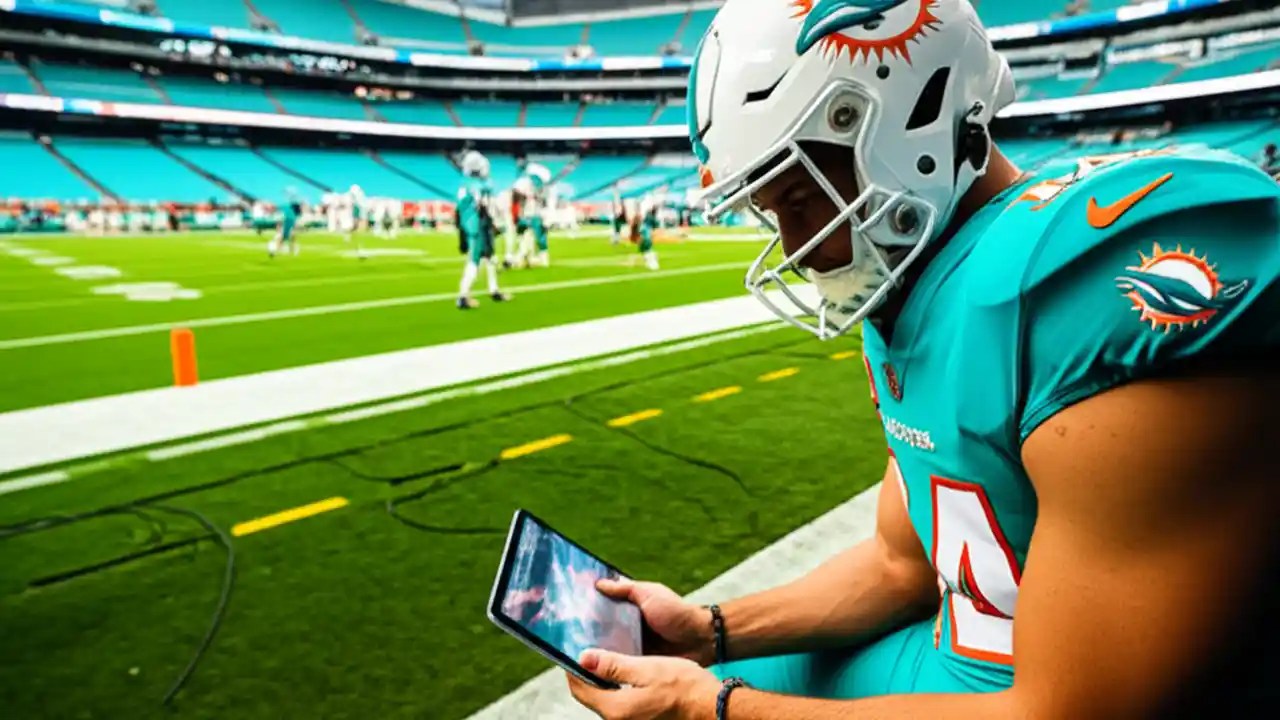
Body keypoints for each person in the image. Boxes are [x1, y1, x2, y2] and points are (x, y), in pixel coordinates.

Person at [567, 1, 1280, 719]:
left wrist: (715, 709)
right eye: (769, 207)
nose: (792, 248)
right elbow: (900, 563)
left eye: (800, 195)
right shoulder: (921, 281)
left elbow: (1069, 711)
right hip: (965, 663)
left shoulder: (1097, 283)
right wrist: (711, 632)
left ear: (905, 129)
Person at [455, 150, 510, 309]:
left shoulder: (463, 186)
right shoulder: (480, 186)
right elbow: (484, 207)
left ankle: (494, 290)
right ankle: (463, 295)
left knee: (490, 256)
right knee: (475, 260)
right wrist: (494, 224)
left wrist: (461, 234)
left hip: (469, 226)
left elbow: (458, 212)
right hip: (479, 225)